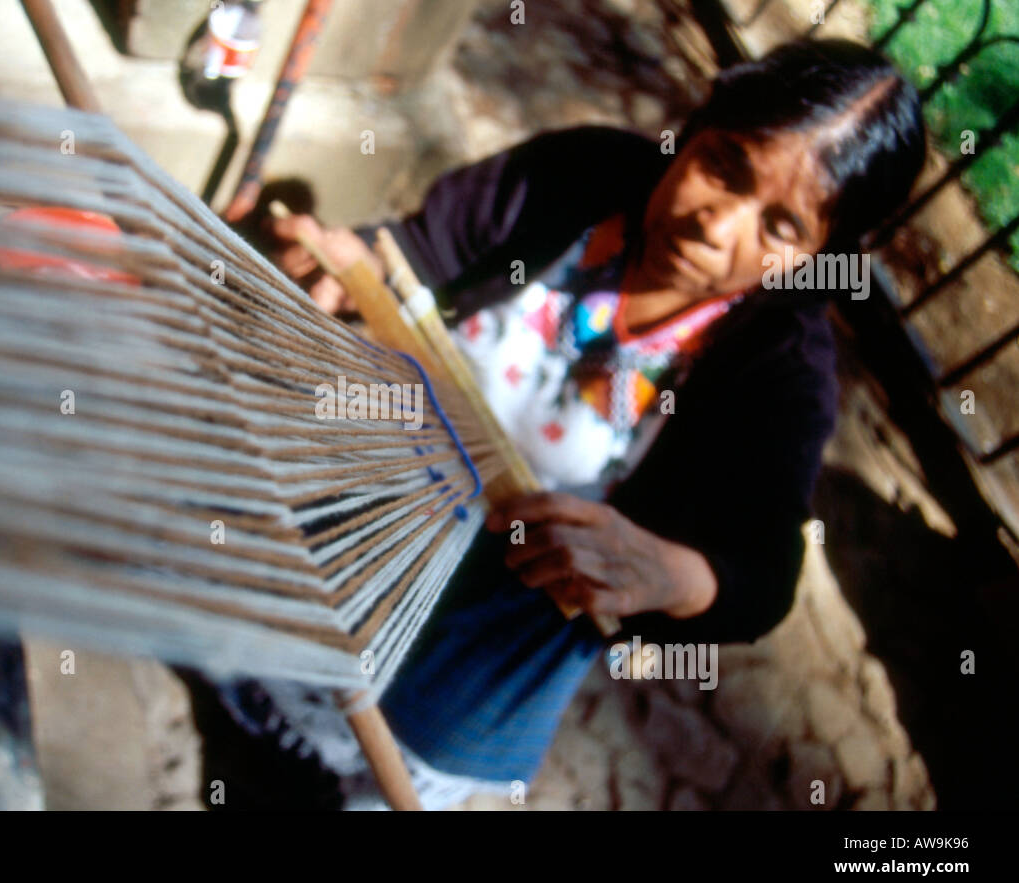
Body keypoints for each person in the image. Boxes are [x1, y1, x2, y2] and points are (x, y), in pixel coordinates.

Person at [221, 38, 926, 808]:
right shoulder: (579, 175)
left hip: (505, 624)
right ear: (696, 126)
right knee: (280, 650)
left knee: (384, 772)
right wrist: (348, 265)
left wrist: (663, 572)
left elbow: (762, 571)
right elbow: (423, 252)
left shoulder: (780, 371)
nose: (717, 227)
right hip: (386, 509)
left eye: (782, 227)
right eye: (724, 165)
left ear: (816, 256)